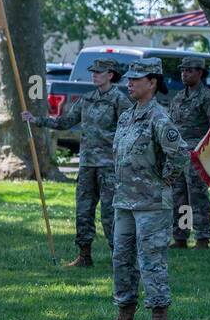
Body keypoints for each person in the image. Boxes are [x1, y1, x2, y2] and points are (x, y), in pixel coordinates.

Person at [23, 57, 130, 267]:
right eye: (93, 71)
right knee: (83, 211)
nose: (94, 75)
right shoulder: (87, 99)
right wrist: (37, 120)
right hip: (87, 164)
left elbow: (128, 131)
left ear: (110, 75)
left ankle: (119, 257)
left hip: (109, 166)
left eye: (99, 72)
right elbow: (66, 122)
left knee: (109, 213)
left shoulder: (120, 100)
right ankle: (84, 255)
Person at [109, 57, 189, 320]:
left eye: (136, 79)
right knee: (121, 257)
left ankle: (158, 317)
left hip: (152, 203)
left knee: (151, 259)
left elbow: (180, 153)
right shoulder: (126, 116)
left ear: (152, 82)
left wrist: (165, 178)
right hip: (124, 201)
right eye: (128, 78)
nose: (129, 83)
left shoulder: (159, 117)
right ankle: (125, 314)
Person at [168, 56, 210, 249]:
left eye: (189, 70)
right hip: (178, 154)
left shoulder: (207, 97)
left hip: (196, 155)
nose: (185, 74)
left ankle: (202, 237)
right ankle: (181, 236)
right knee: (179, 196)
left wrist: (204, 152)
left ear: (200, 73)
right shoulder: (179, 97)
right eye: (183, 70)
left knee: (197, 195)